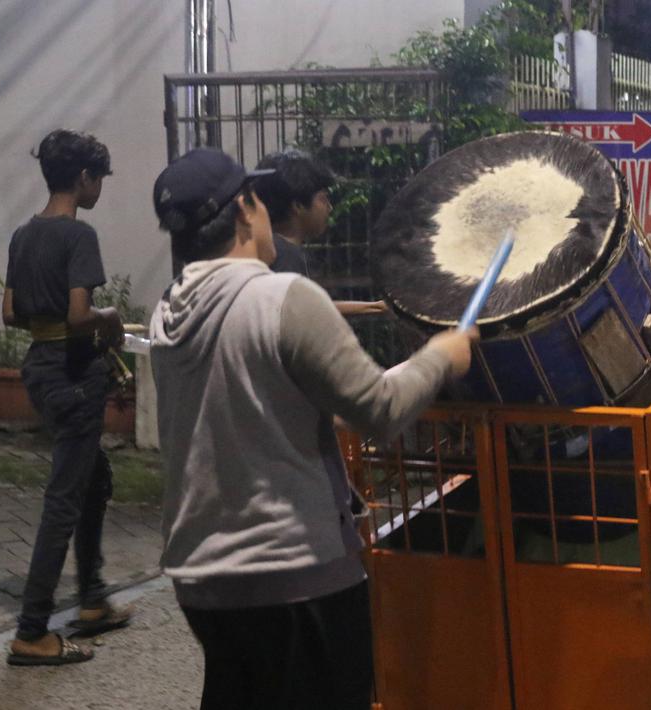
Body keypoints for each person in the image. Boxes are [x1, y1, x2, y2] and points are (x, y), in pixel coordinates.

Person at [148, 148, 477, 709]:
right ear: (244, 211)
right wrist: (442, 356)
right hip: (293, 576)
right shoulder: (282, 299)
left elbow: (280, 398)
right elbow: (377, 409)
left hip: (203, 581)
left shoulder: (168, 312)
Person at [4, 130, 132, 666]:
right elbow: (82, 317)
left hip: (39, 366)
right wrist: (110, 319)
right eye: (98, 178)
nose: (100, 187)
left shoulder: (23, 235)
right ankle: (32, 630)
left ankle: (94, 600)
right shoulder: (79, 237)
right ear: (82, 179)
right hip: (75, 374)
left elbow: (11, 313)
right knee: (64, 499)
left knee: (93, 477)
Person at [253, 149, 387, 316]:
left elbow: (307, 306)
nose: (329, 207)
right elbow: (299, 314)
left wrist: (375, 307)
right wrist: (374, 307)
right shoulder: (286, 257)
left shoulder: (274, 248)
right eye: (323, 198)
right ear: (298, 206)